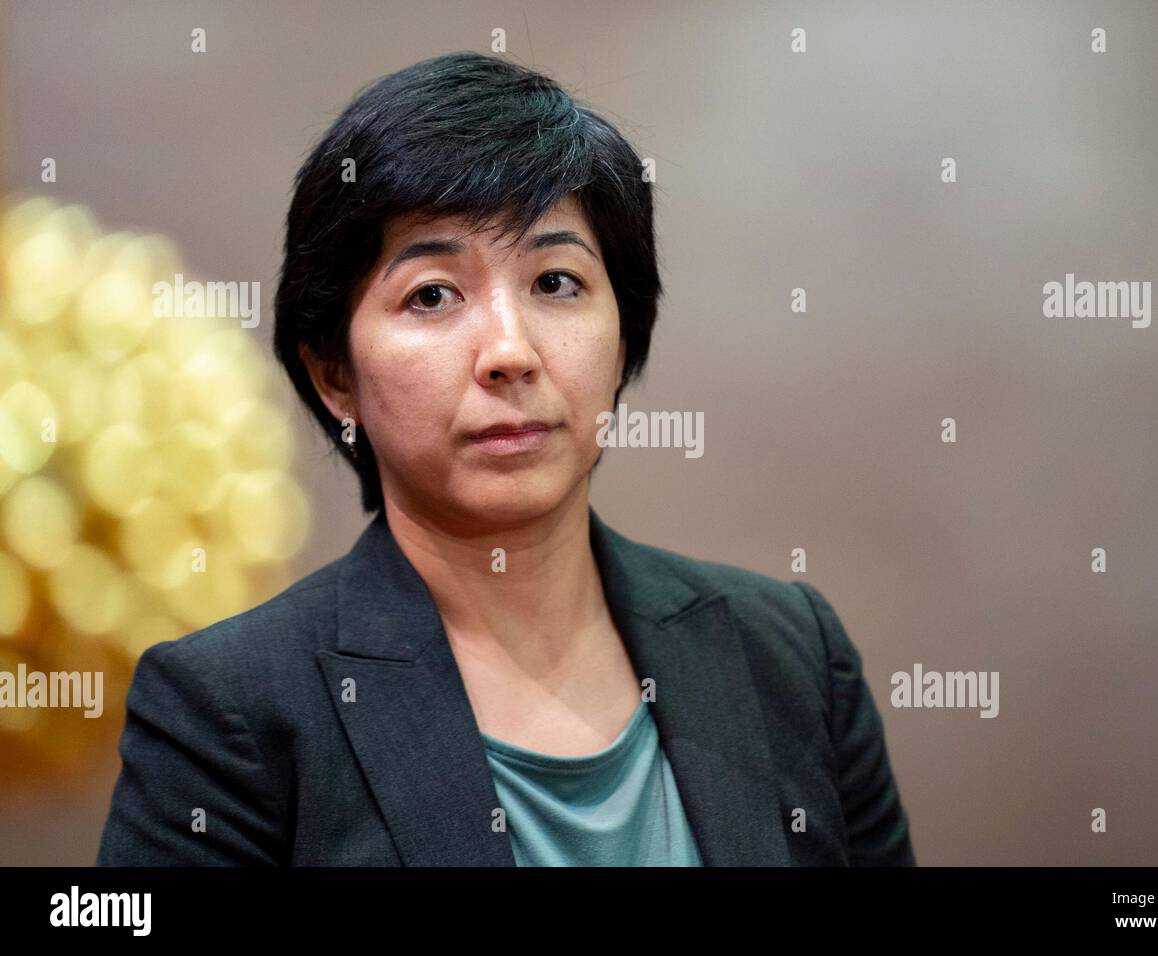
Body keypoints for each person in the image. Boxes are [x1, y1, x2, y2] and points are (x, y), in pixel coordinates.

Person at [95, 51, 915, 866]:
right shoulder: (227, 709)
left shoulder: (791, 654)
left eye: (556, 282)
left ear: (624, 330)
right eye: (432, 295)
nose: (510, 352)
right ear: (333, 374)